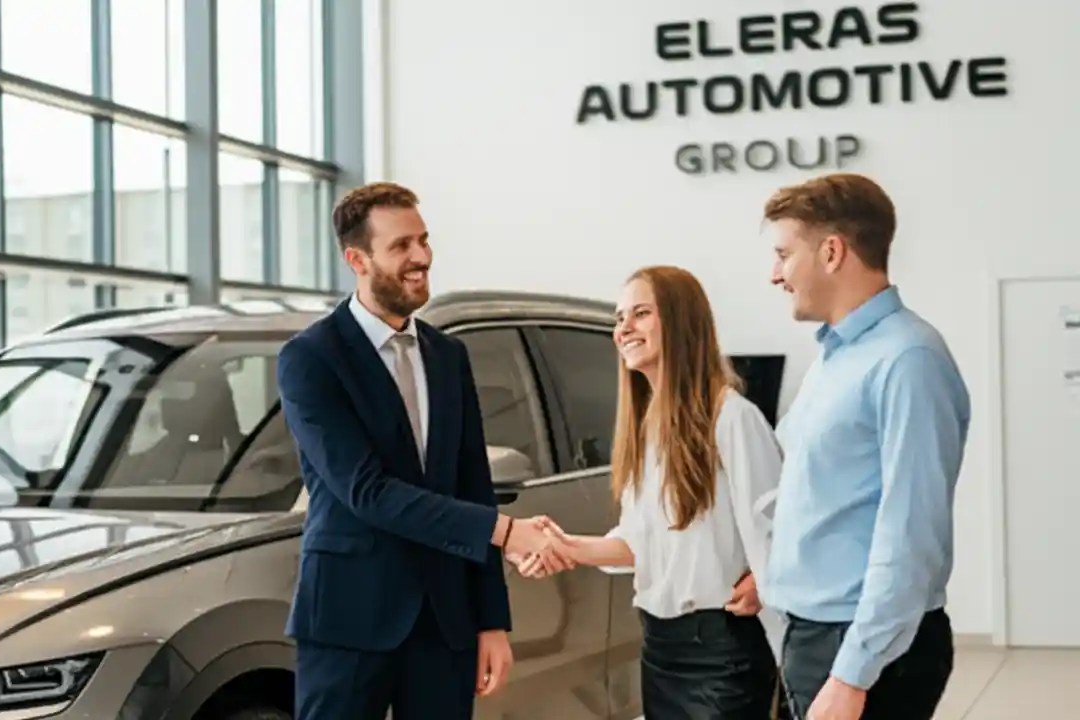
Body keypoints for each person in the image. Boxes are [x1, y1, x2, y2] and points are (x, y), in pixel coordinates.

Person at [276, 181, 570, 719]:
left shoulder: (447, 355)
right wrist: (504, 533)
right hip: (348, 619)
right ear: (357, 259)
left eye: (424, 240)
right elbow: (366, 491)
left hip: (445, 621)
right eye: (402, 246)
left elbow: (472, 483)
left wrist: (490, 620)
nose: (422, 257)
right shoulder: (310, 358)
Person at [515, 265, 786, 719]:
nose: (624, 329)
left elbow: (782, 527)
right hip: (660, 649)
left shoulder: (732, 419)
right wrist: (565, 547)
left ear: (681, 322)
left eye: (640, 314)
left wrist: (765, 578)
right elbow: (639, 544)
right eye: (621, 318)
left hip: (721, 652)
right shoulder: (648, 429)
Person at [759, 173, 970, 720]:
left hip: (862, 647)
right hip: (816, 635)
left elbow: (911, 533)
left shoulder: (907, 360)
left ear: (832, 252)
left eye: (784, 254)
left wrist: (852, 675)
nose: (775, 274)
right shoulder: (836, 356)